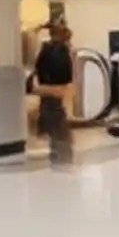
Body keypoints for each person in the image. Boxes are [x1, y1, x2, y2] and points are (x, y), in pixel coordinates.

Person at [32, 24, 74, 164]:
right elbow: (67, 74)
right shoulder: (62, 50)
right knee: (59, 126)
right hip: (57, 89)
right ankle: (63, 159)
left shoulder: (45, 48)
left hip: (46, 88)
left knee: (49, 114)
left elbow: (37, 67)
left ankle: (55, 152)